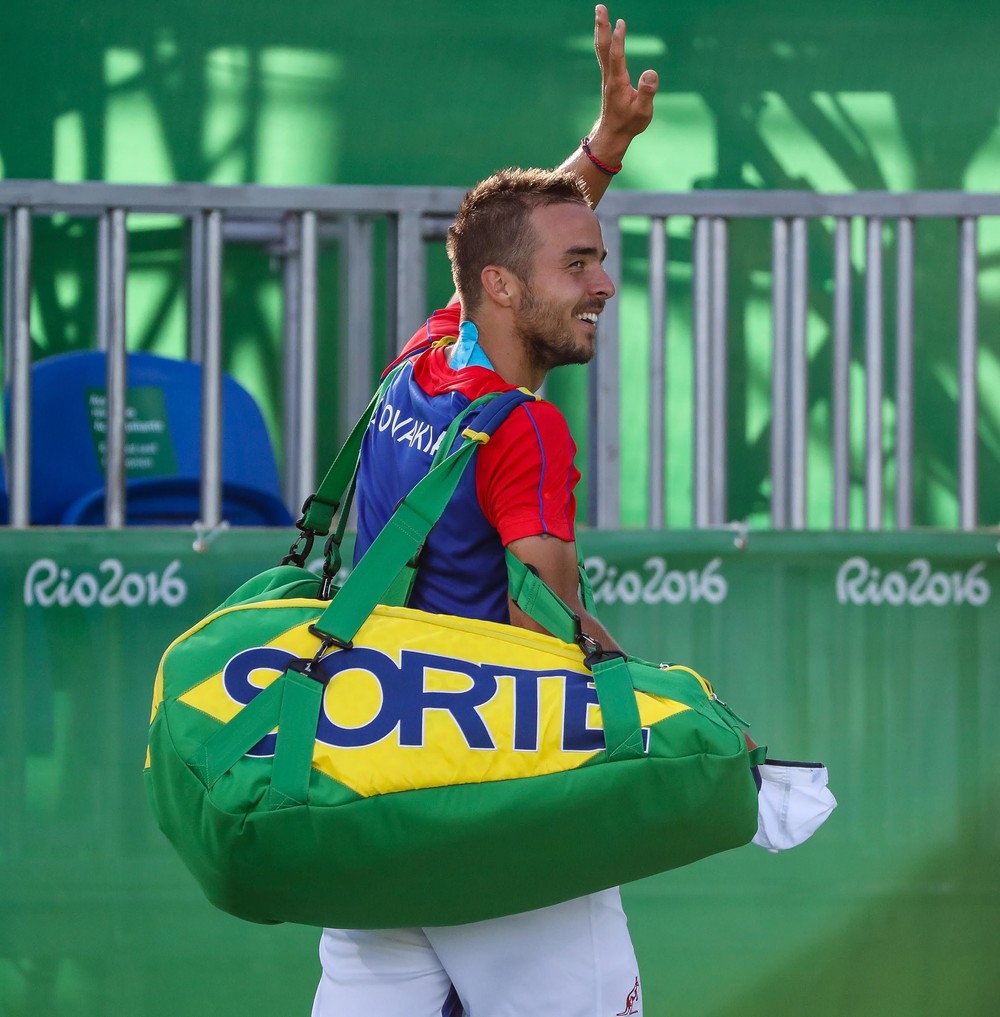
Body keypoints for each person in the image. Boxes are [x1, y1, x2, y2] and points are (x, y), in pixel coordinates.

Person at [311, 7, 658, 1016]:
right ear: (505, 291)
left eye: (598, 259)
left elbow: (510, 248)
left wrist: (604, 150)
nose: (603, 284)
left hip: (375, 801)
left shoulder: (421, 365)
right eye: (580, 268)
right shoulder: (526, 432)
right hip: (498, 816)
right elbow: (542, 634)